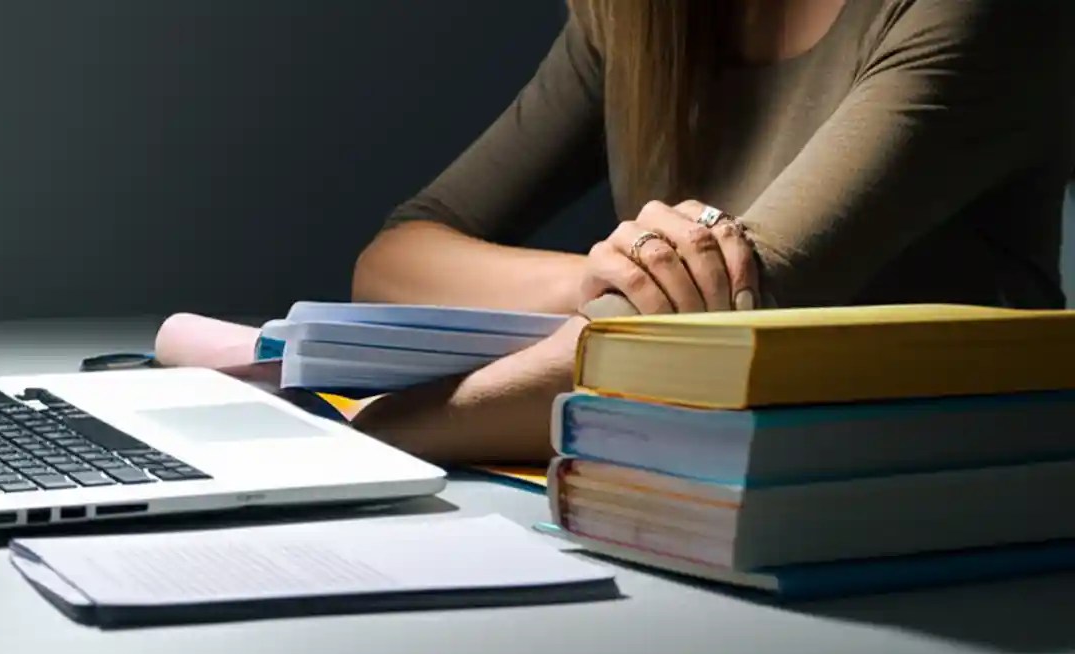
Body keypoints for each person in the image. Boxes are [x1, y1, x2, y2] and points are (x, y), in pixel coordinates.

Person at [348, 0, 1075, 464]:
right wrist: (615, 275)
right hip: (687, 505)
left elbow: (704, 330)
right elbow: (394, 261)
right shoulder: (637, 16)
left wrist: (368, 440)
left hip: (932, 535)